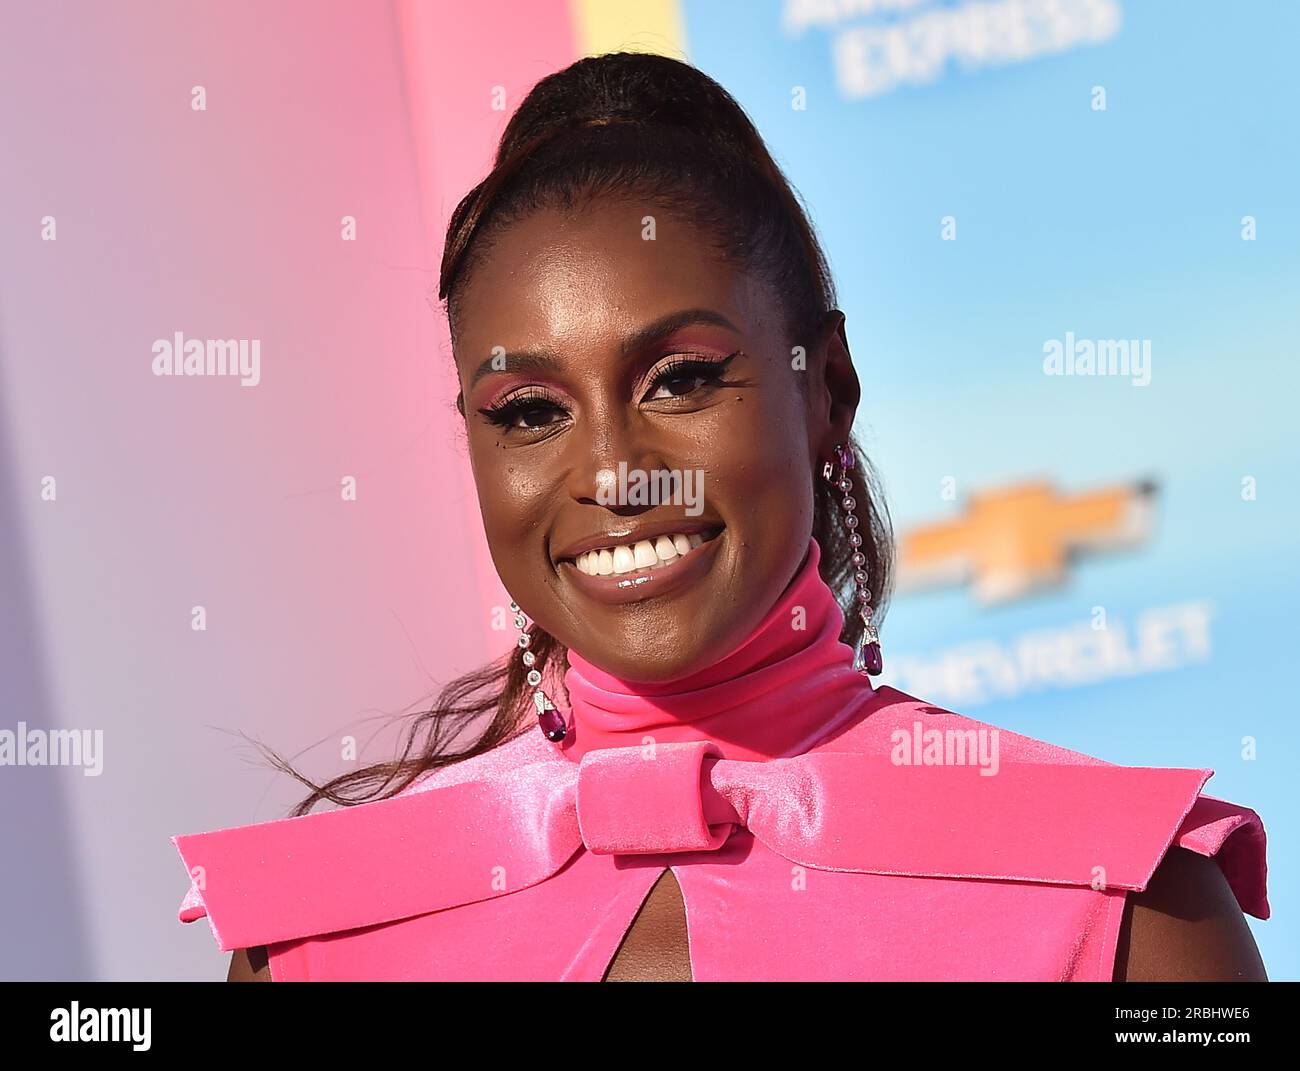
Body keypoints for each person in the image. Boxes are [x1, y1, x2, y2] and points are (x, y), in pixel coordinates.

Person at [173, 52, 1269, 982]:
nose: (614, 472)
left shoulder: (1129, 902)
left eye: (682, 381)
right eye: (529, 411)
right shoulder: (317, 939)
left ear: (825, 386)